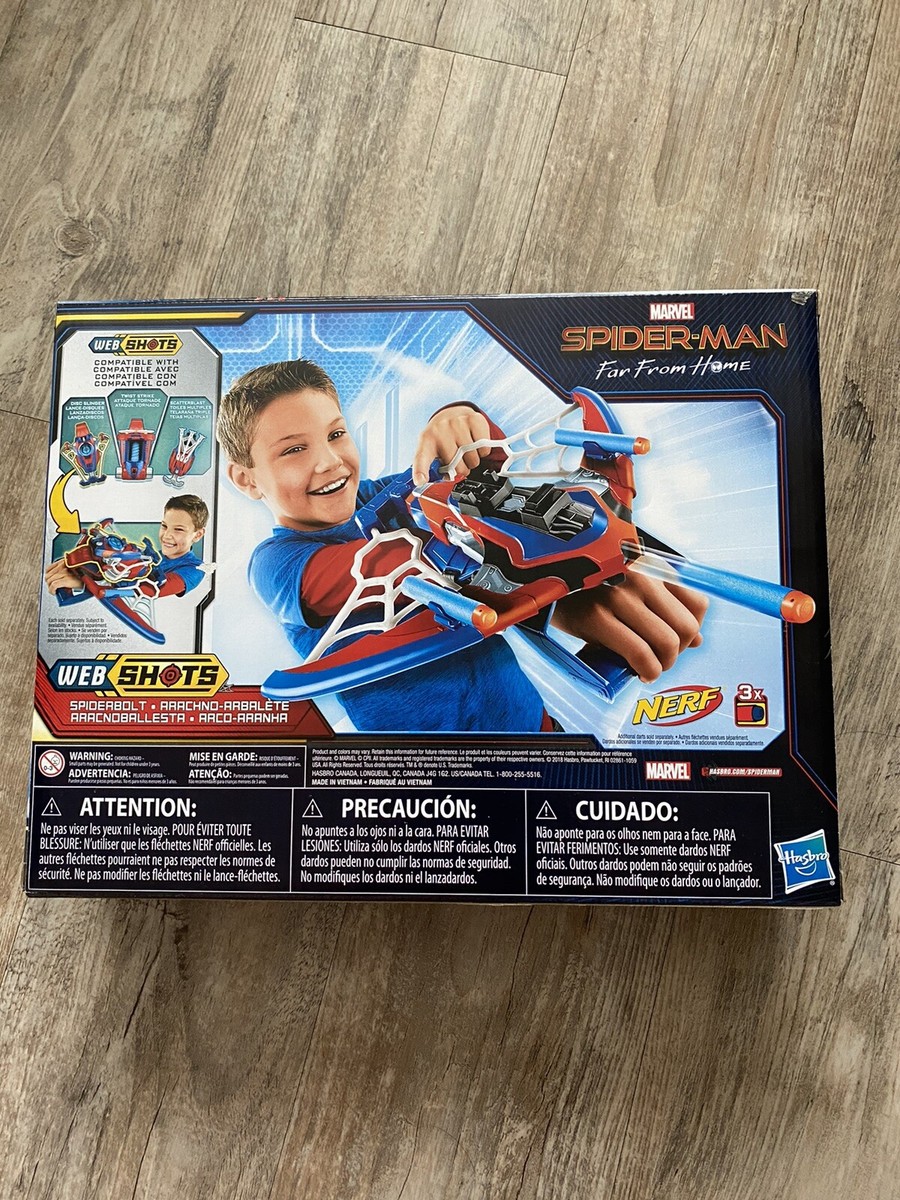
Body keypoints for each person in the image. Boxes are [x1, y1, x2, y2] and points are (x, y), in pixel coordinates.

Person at [218, 359, 708, 732]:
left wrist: (460, 421)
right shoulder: (275, 563)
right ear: (246, 479)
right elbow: (384, 563)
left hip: (534, 731)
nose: (329, 461)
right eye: (294, 449)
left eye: (336, 434)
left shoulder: (387, 494)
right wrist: (546, 569)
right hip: (421, 780)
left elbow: (474, 473)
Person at [44, 495, 210, 599]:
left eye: (179, 530)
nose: (167, 535)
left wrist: (84, 582)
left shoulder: (195, 569)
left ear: (197, 535)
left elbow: (153, 590)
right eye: (164, 526)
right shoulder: (154, 556)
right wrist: (80, 565)